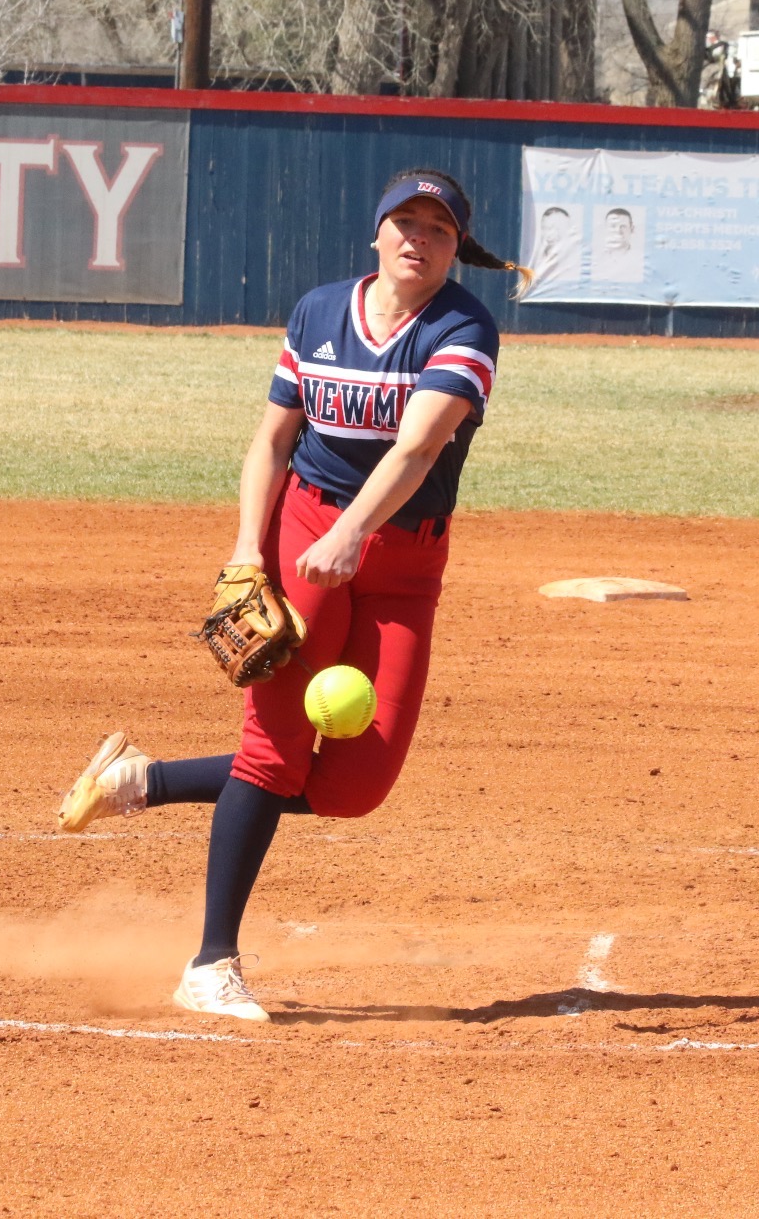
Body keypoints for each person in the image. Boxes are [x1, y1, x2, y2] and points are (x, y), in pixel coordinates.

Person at [54, 167, 528, 1022]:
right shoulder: (318, 313)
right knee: (273, 753)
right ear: (377, 231)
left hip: (403, 563)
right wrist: (249, 547)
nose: (419, 239)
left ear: (457, 248)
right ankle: (210, 962)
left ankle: (140, 780)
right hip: (305, 534)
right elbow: (272, 441)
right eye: (405, 222)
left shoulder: (464, 327)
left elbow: (418, 450)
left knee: (355, 785)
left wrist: (357, 534)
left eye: (439, 229)